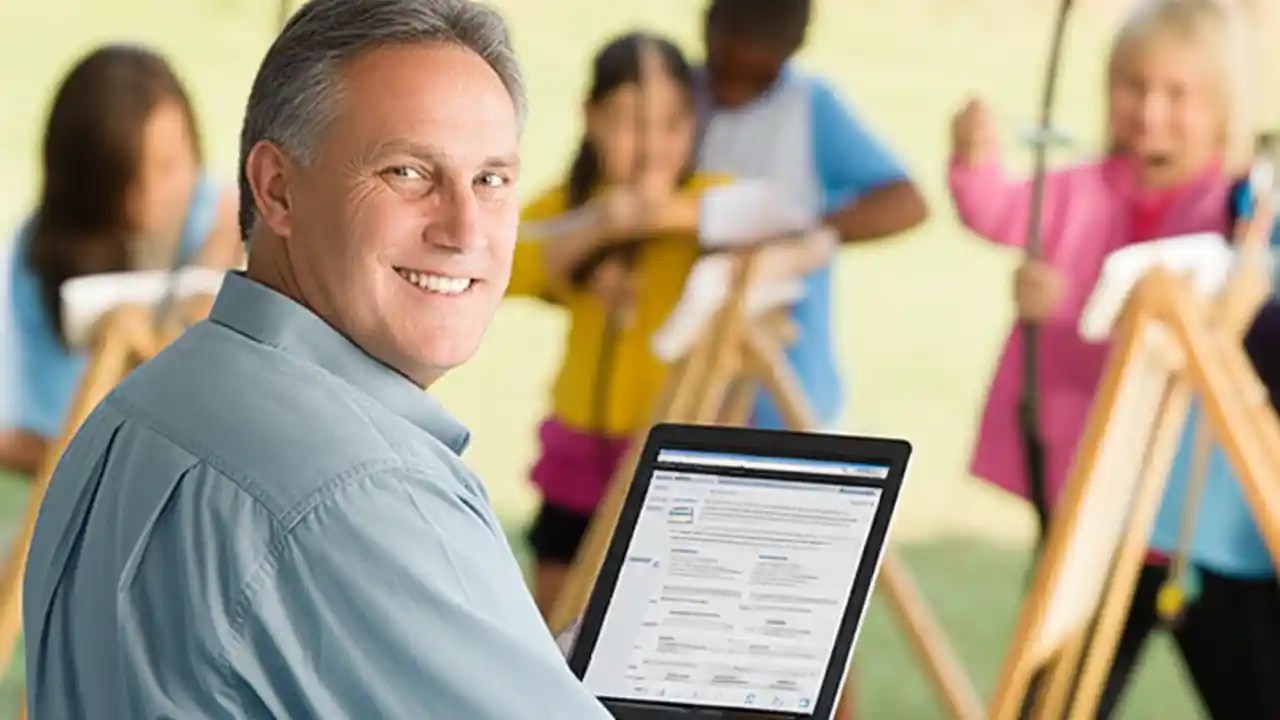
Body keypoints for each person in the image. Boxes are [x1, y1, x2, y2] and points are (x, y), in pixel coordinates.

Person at [22, 1, 612, 717]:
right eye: (407, 172)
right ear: (277, 190)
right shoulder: (362, 491)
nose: (464, 229)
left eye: (490, 179)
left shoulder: (131, 414)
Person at [952, 1, 1269, 717]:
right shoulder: (1082, 189)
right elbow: (1000, 209)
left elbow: (1238, 322)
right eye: (1131, 86)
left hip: (1201, 525)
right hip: (1094, 508)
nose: (1149, 112)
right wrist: (975, 164)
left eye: (1177, 94)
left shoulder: (1242, 210)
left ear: (1223, 106)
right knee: (1054, 698)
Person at [511, 32, 836, 617]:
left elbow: (799, 231)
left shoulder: (713, 201)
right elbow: (505, 260)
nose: (651, 146)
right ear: (590, 118)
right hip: (579, 460)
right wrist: (600, 228)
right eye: (629, 123)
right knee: (556, 631)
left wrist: (673, 215)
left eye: (671, 124)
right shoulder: (571, 206)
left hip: (679, 469)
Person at [0, 44, 241, 477]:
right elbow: (49, 433)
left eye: (173, 160)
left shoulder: (226, 220)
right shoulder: (45, 255)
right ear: (94, 179)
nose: (167, 188)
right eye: (137, 175)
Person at [693, 0, 928, 433]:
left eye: (756, 74)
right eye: (726, 68)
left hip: (783, 385)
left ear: (791, 50)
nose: (735, 88)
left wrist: (807, 237)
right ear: (708, 29)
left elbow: (906, 203)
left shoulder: (808, 107)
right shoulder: (678, 96)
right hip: (680, 380)